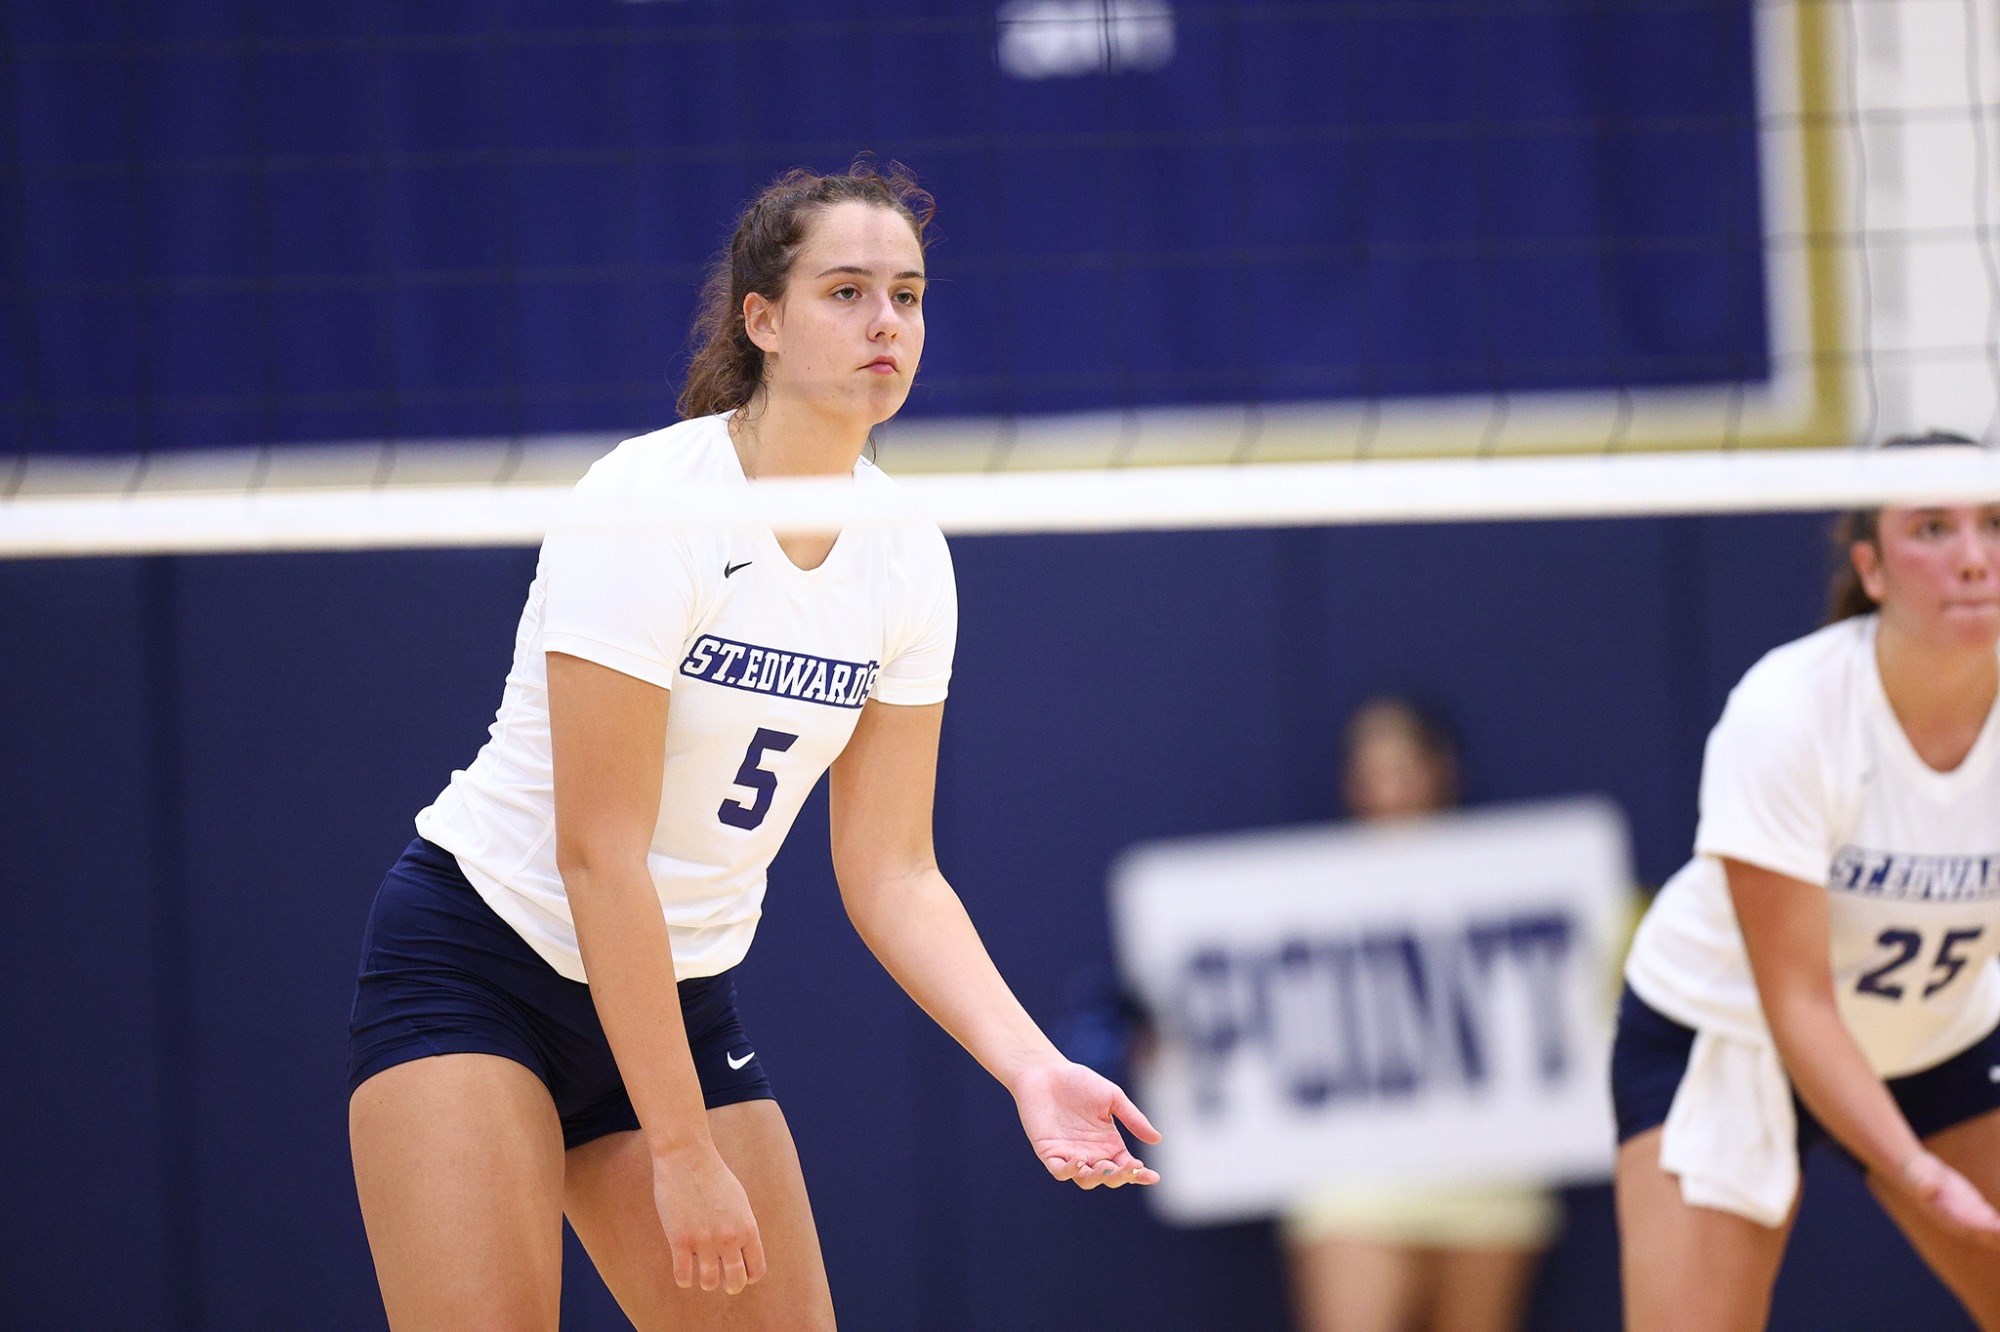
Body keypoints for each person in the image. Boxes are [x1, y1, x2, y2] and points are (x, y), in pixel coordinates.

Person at [344, 161, 1160, 1331]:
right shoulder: (653, 504)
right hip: (485, 963)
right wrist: (678, 1151)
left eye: (908, 295)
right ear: (761, 320)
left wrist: (1029, 1063)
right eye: (845, 291)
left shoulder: (906, 557)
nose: (885, 320)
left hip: (677, 992)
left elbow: (894, 871)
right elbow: (599, 859)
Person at [1613, 429, 2000, 1331]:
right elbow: (1799, 1003)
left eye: (1994, 524)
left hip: (1933, 1037)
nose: (1974, 559)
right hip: (1732, 1032)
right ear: (1871, 567)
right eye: (1933, 529)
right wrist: (1913, 1170)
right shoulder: (1791, 710)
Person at [1282, 697, 1560, 1332]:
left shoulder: (1518, 887)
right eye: (1370, 771)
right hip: (1354, 1172)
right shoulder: (1301, 901)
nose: (1388, 790)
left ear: (1442, 771)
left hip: (1488, 1172)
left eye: (1403, 767)